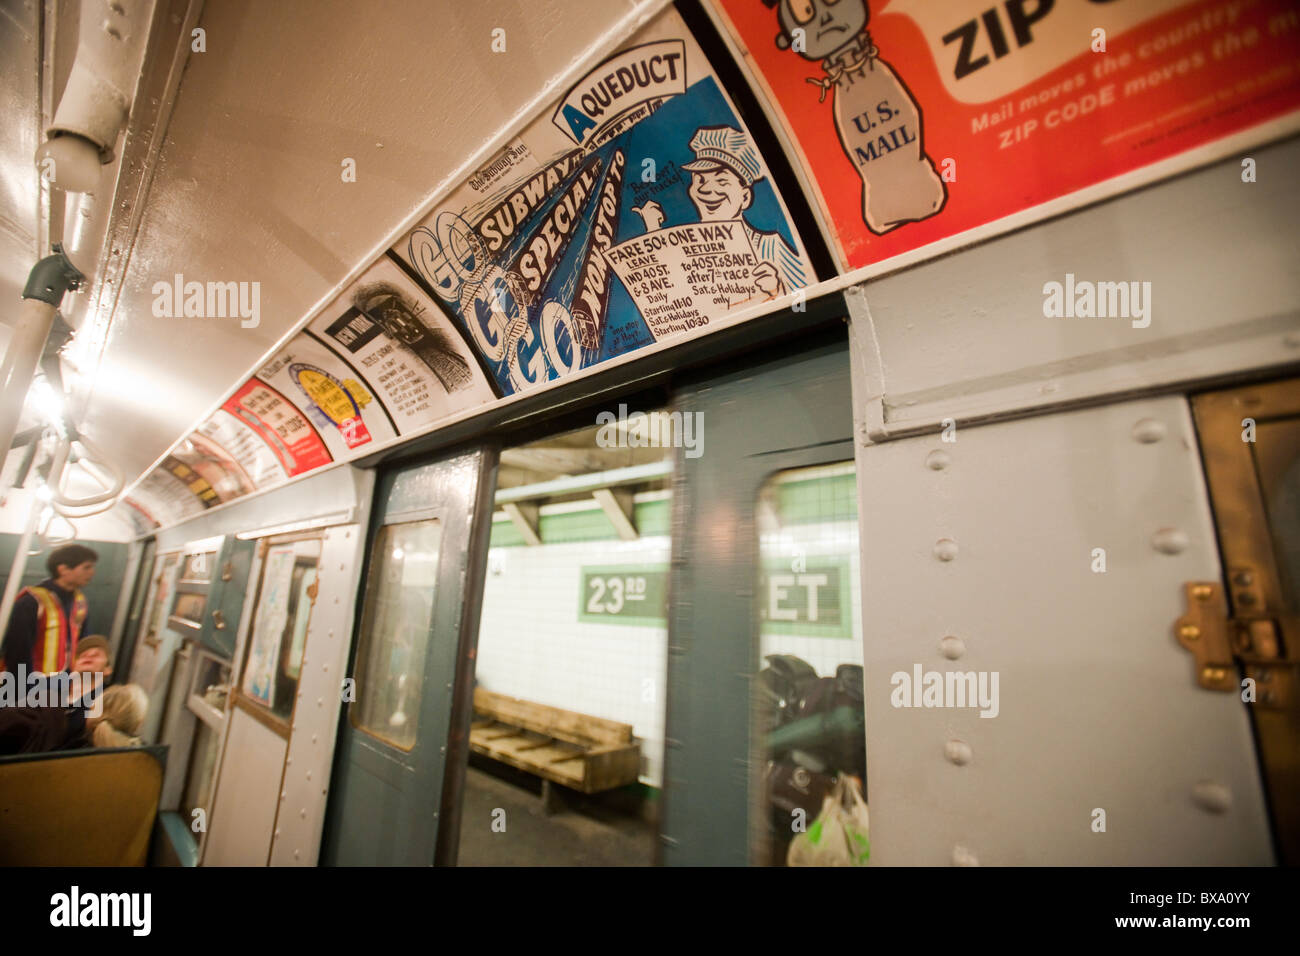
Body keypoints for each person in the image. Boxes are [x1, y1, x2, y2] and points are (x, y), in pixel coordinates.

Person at [676, 126, 809, 299]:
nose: (706, 189)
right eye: (700, 179)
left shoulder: (771, 248)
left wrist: (778, 291)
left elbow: (805, 308)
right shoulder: (685, 253)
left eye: (721, 180)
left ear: (745, 197)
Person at [0, 543, 97, 675]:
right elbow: (18, 649)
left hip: (65, 681)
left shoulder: (79, 601)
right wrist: (24, 689)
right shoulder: (32, 601)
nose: (92, 572)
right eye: (86, 567)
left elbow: (84, 640)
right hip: (33, 683)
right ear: (63, 569)